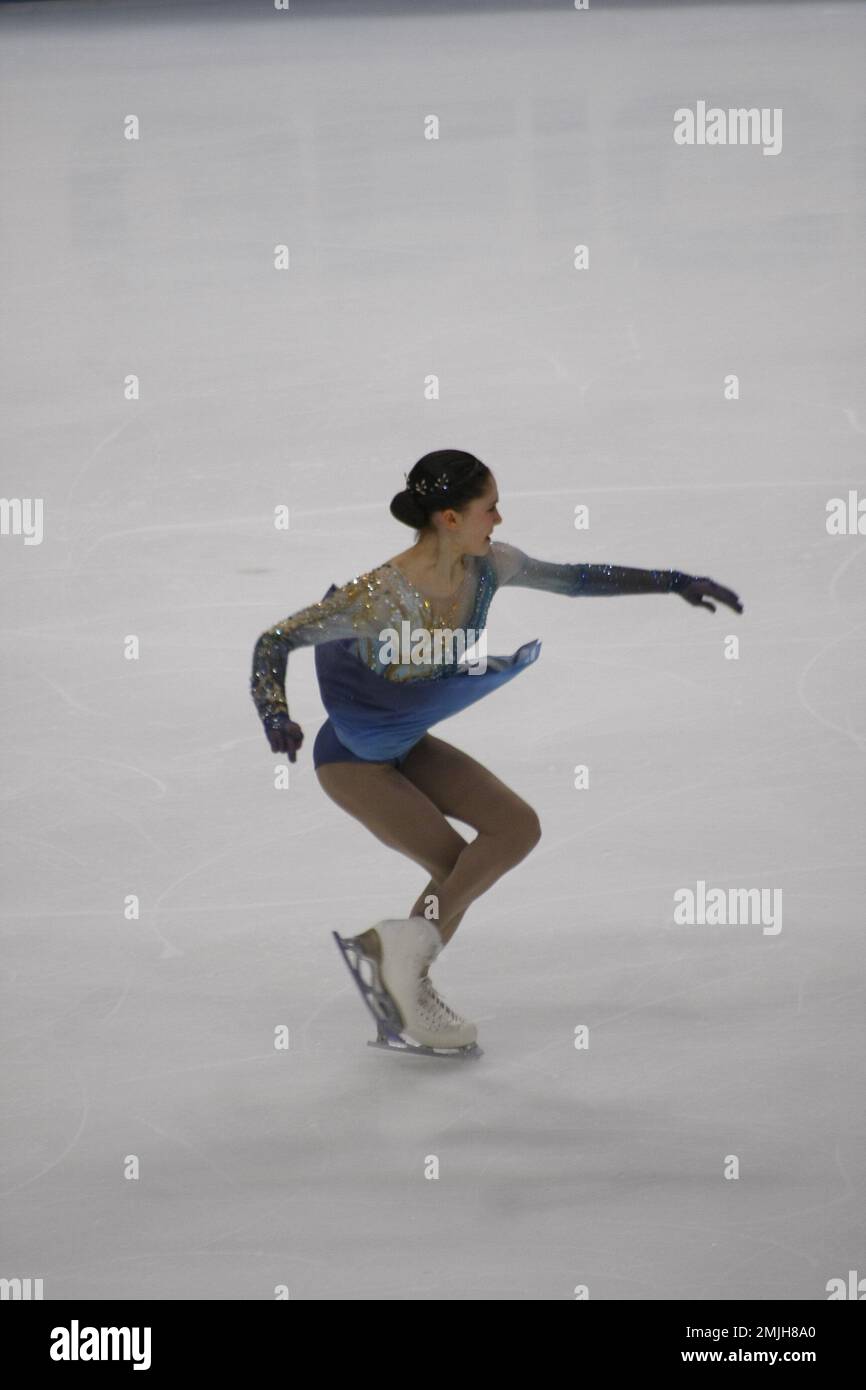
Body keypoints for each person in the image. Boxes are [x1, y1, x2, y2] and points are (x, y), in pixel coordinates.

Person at [250, 450, 743, 1052]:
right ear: (450, 519)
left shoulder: (490, 567)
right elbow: (275, 640)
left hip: (406, 742)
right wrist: (275, 711)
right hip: (353, 762)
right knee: (454, 863)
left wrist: (671, 582)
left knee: (516, 828)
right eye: (490, 509)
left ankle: (400, 963)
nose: (499, 521)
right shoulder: (377, 596)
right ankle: (404, 976)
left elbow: (575, 580)